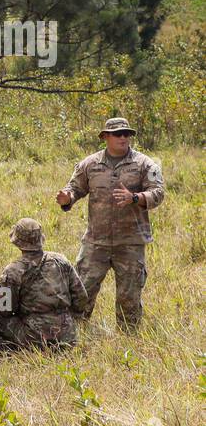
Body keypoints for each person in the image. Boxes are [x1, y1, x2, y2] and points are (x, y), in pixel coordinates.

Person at [56, 116, 165, 332]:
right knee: (82, 293)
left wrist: (135, 197)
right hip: (96, 241)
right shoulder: (90, 164)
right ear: (105, 137)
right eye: (117, 134)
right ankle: (75, 337)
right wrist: (67, 197)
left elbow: (158, 193)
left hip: (130, 242)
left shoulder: (145, 164)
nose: (123, 137)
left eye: (127, 134)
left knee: (129, 297)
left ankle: (127, 344)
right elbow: (75, 188)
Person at [0, 218, 87, 351]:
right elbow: (81, 297)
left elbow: (4, 310)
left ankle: (9, 352)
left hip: (34, 338)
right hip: (67, 336)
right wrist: (71, 320)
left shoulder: (12, 271)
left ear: (17, 241)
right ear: (40, 239)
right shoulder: (61, 261)